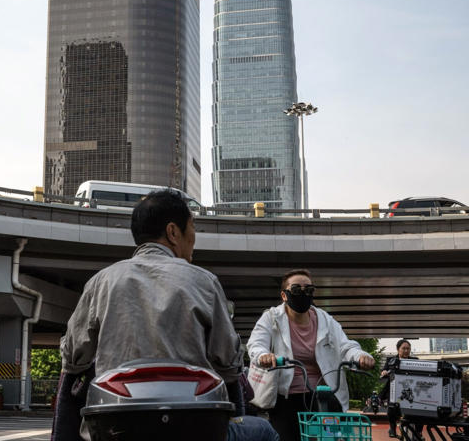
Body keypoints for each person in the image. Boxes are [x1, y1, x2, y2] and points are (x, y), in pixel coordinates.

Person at [53, 189, 277, 441]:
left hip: (116, 427)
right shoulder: (204, 281)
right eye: (193, 228)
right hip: (193, 427)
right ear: (173, 232)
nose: (194, 237)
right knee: (264, 431)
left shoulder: (101, 282)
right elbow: (228, 364)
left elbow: (72, 360)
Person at [248, 269, 375, 441]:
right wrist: (263, 355)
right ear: (284, 295)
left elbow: (345, 346)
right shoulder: (271, 318)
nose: (303, 293)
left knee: (332, 437)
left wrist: (359, 355)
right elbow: (256, 344)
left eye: (308, 289)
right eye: (296, 289)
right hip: (287, 396)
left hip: (325, 394)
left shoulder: (326, 320)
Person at [381, 339, 421, 439]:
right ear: (398, 349)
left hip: (411, 391)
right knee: (392, 409)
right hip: (396, 392)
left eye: (408, 348)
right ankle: (392, 428)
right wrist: (384, 372)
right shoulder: (391, 360)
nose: (406, 351)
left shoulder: (415, 360)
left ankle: (418, 432)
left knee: (421, 410)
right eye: (403, 348)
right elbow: (384, 370)